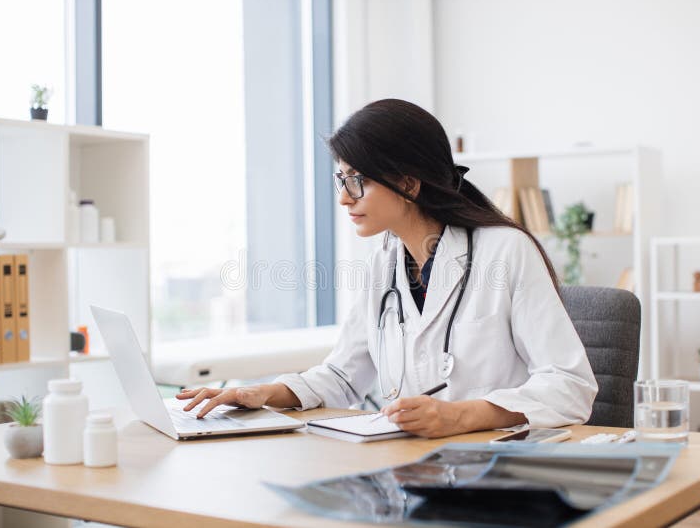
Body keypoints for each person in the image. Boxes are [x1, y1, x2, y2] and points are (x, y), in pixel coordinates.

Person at [178, 98, 597, 438]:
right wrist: (260, 393)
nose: (344, 198)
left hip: (496, 472)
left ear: (409, 184)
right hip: (412, 466)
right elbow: (344, 376)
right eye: (341, 180)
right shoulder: (385, 260)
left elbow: (570, 386)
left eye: (357, 180)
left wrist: (460, 416)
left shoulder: (505, 251)